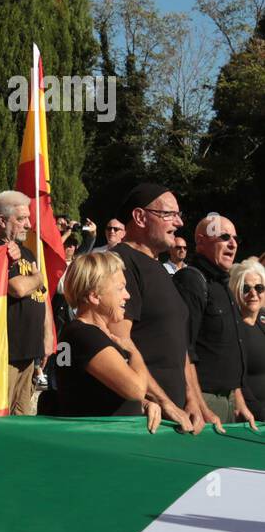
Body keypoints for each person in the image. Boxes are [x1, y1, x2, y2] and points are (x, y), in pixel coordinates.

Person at [109, 183, 202, 433]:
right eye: (169, 214)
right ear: (139, 217)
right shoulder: (121, 263)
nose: (179, 222)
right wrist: (163, 402)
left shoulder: (159, 268)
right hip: (144, 420)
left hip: (177, 417)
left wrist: (193, 399)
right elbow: (118, 342)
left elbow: (177, 343)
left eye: (178, 214)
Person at [51, 252, 162, 429]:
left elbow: (92, 393)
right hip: (98, 445)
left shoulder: (81, 333)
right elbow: (136, 389)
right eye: (120, 288)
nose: (127, 295)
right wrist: (133, 352)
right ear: (95, 296)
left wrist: (144, 404)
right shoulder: (84, 335)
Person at [174, 214, 246, 427]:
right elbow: (183, 349)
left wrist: (238, 399)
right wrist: (198, 403)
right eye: (224, 237)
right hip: (204, 401)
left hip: (229, 401)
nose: (232, 243)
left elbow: (230, 351)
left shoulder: (224, 284)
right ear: (201, 241)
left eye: (235, 238)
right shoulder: (192, 280)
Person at [0, 190, 52, 415]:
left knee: (22, 416)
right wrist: (37, 278)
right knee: (1, 417)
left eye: (29, 218)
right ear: (2, 220)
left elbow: (40, 295)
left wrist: (47, 336)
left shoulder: (27, 253)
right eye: (21, 219)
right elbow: (18, 288)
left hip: (28, 352)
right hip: (6, 353)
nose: (28, 224)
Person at [231, 258, 265, 427]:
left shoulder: (262, 323)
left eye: (259, 288)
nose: (253, 294)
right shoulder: (233, 329)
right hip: (251, 421)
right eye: (246, 288)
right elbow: (239, 382)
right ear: (236, 290)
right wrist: (260, 413)